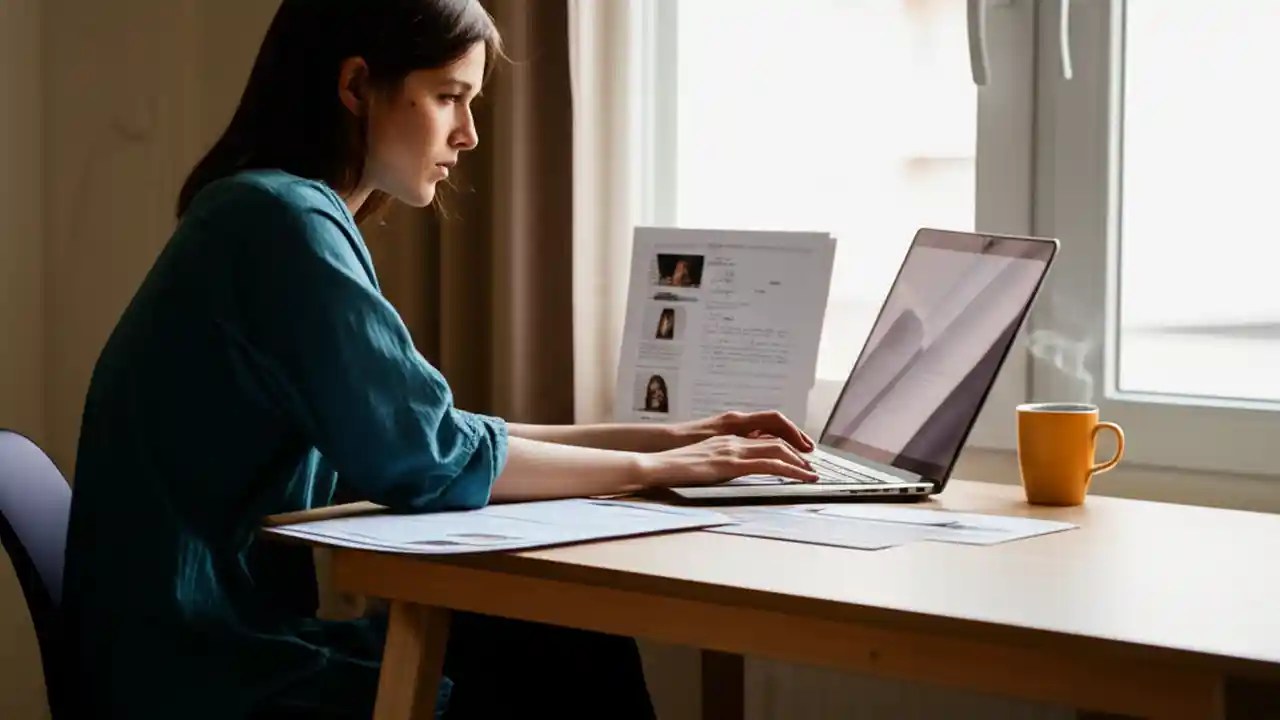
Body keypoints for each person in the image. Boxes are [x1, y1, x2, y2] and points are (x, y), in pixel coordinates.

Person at [60, 1, 818, 719]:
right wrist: (658, 470)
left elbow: (428, 435)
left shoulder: (262, 210)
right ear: (356, 85)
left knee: (558, 638)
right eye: (451, 96)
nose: (469, 135)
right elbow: (432, 455)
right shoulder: (279, 221)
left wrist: (671, 438)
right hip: (210, 671)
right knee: (565, 655)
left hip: (199, 647)